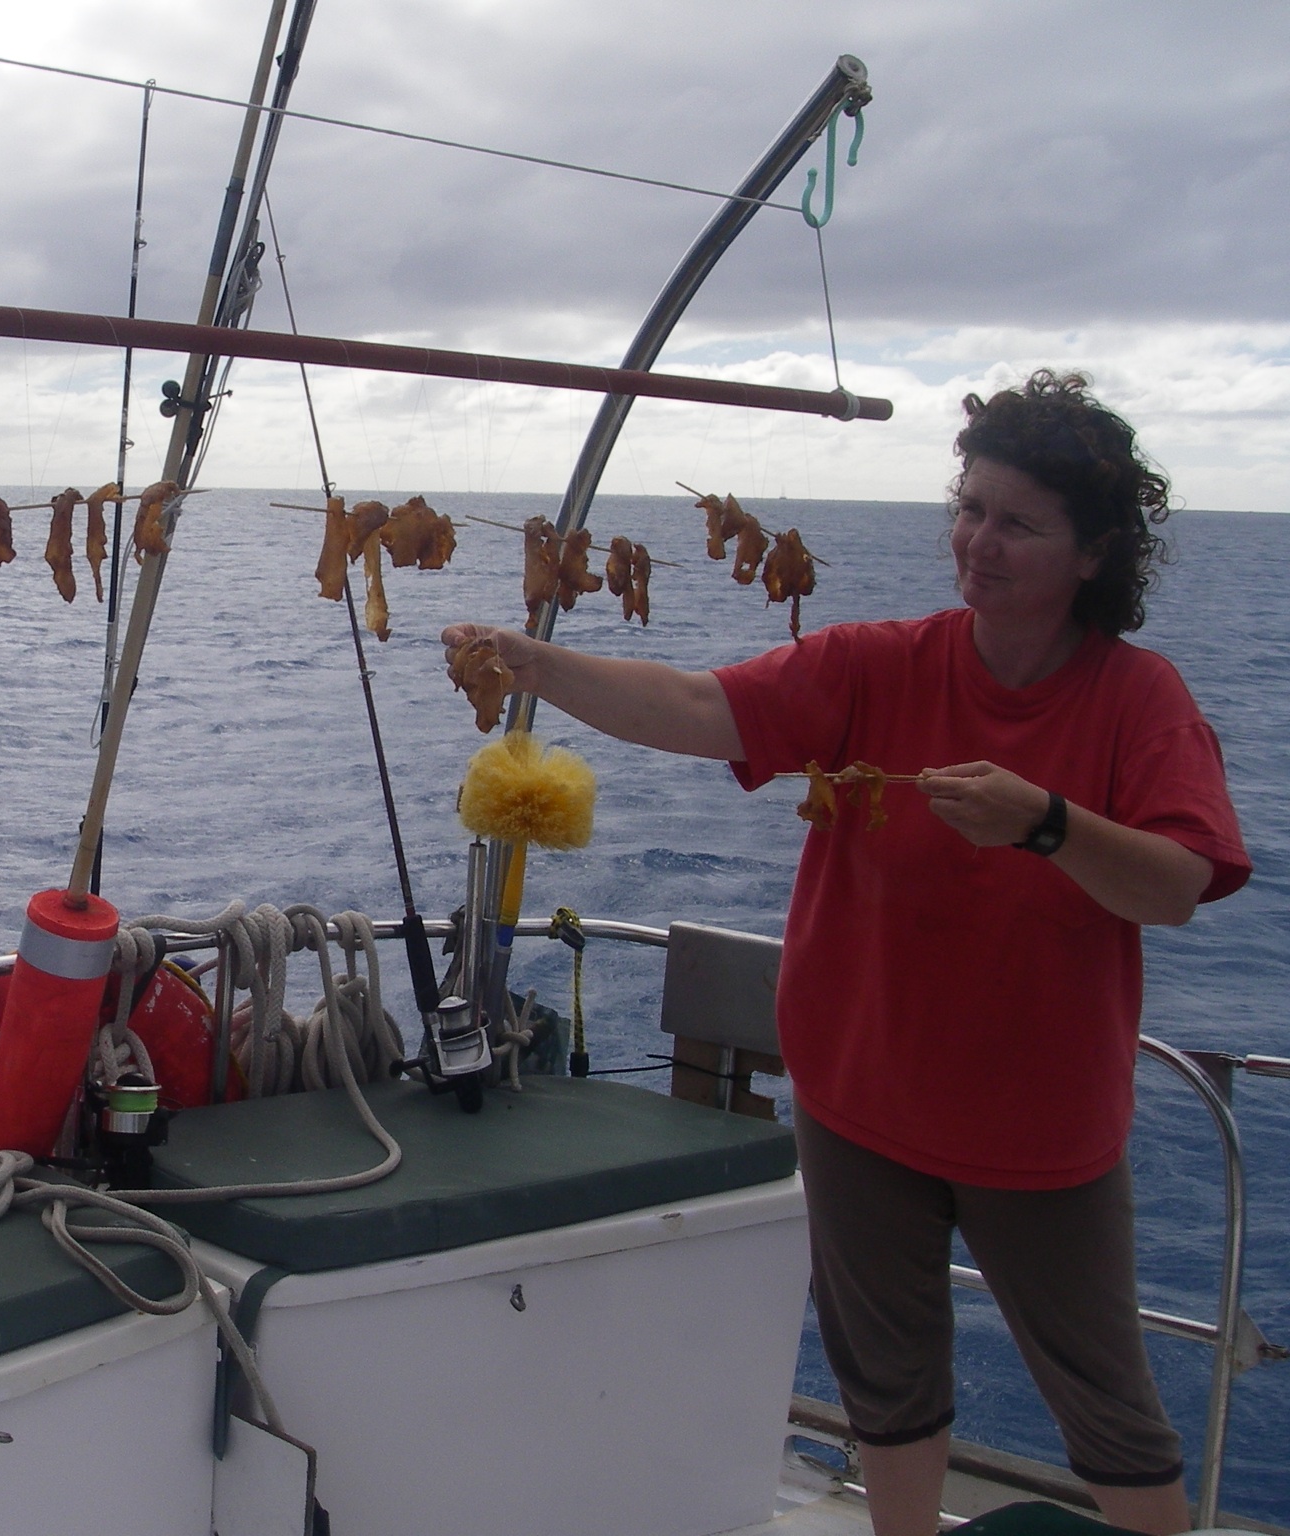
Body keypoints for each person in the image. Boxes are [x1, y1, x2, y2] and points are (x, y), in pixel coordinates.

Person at [442, 371, 1249, 1536]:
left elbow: (1177, 883)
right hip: (856, 1102)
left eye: (1016, 522)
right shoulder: (877, 663)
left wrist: (1045, 823)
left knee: (1107, 1407)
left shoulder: (1138, 701)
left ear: (1092, 552)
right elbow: (697, 707)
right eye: (967, 506)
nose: (975, 540)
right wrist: (540, 665)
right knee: (884, 1380)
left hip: (1036, 1130)